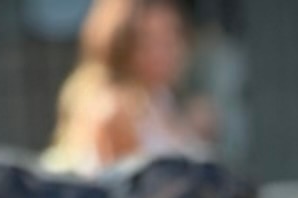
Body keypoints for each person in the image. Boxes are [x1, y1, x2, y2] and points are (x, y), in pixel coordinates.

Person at [48, 0, 208, 170]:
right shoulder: (114, 109)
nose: (165, 51)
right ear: (122, 45)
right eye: (149, 40)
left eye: (172, 35)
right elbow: (136, 189)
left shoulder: (160, 98)